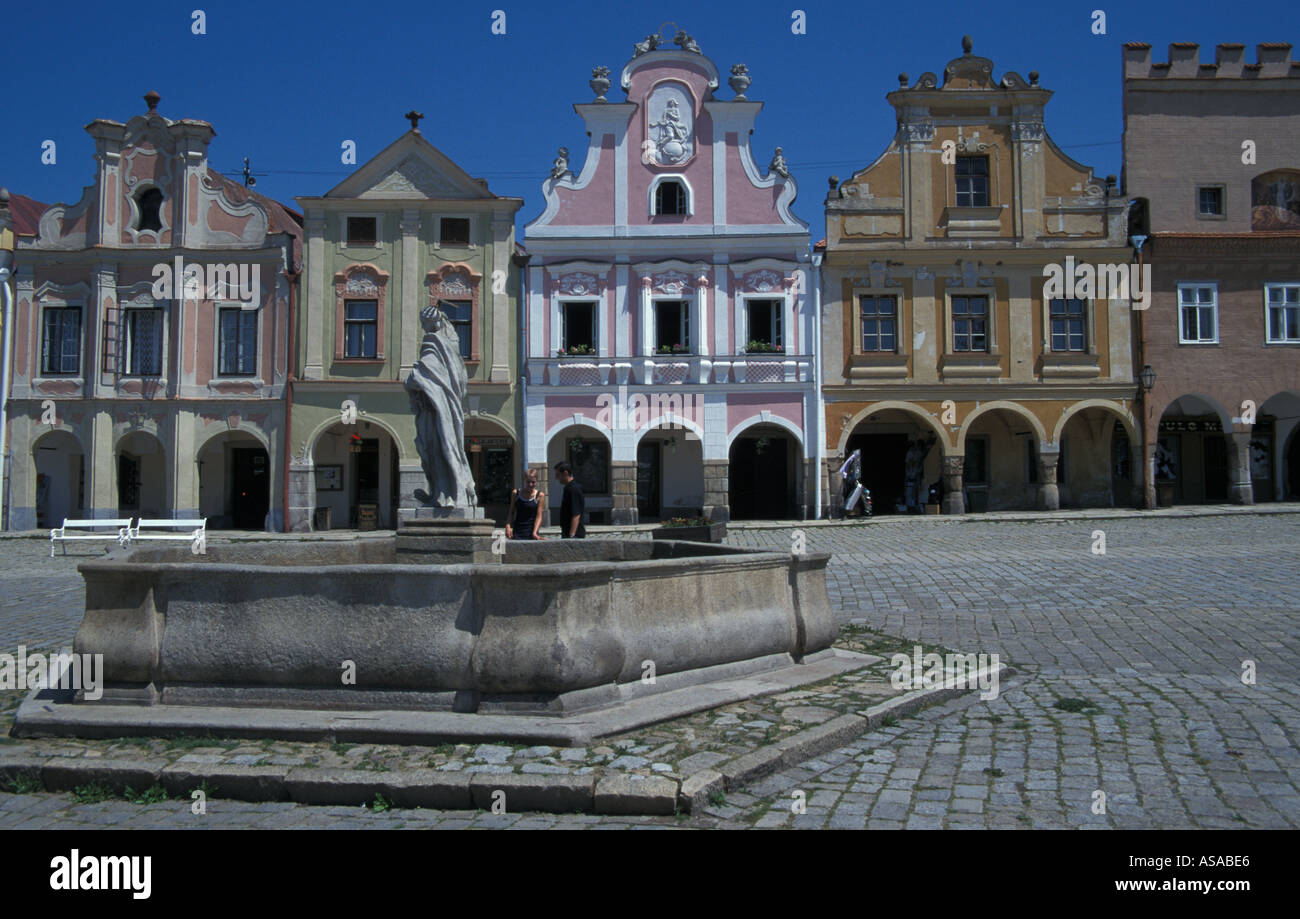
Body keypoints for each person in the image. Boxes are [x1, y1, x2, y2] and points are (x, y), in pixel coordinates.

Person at [505, 470, 544, 540]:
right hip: (518, 530)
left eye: (533, 482)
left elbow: (539, 516)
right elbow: (511, 512)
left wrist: (534, 532)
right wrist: (508, 526)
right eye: (528, 482)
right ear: (524, 480)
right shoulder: (516, 493)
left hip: (532, 531)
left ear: (536, 481)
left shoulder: (539, 495)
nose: (530, 484)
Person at [554, 462, 586, 539]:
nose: (556, 478)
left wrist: (571, 536)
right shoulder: (568, 488)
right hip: (567, 531)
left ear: (565, 473)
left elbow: (576, 514)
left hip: (574, 534)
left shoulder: (573, 489)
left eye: (558, 475)